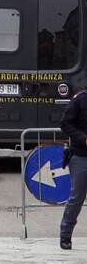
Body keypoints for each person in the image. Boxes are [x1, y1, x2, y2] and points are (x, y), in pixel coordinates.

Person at [60, 84, 87, 250]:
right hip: (81, 156)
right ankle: (65, 235)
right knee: (77, 198)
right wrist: (83, 138)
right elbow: (65, 123)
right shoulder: (80, 99)